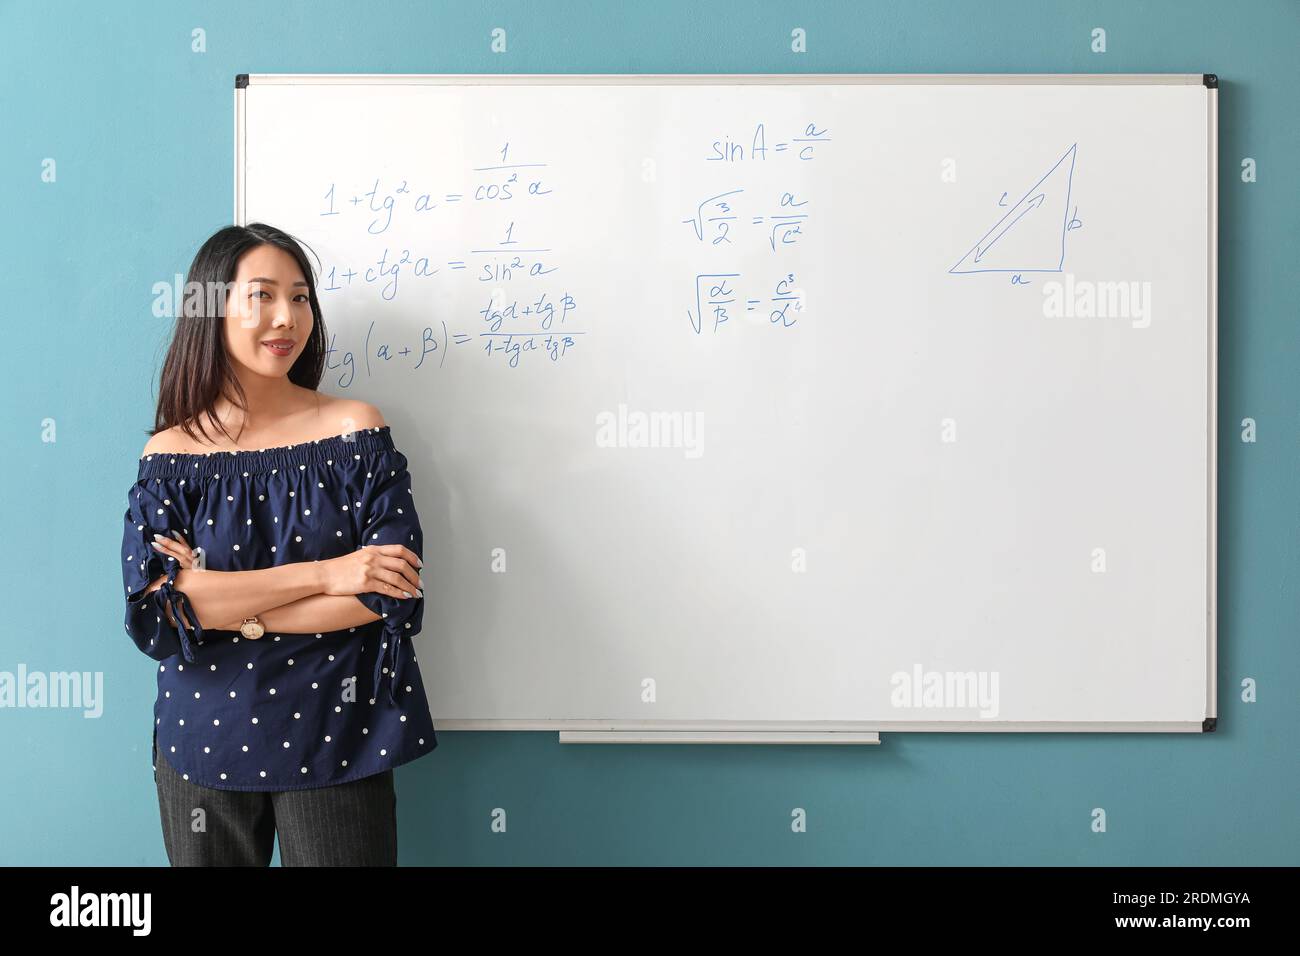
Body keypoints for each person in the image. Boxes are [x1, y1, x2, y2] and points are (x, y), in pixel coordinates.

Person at [120, 222, 437, 865]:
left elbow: (388, 593)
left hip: (341, 728)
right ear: (212, 307)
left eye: (300, 297)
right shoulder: (170, 456)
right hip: (203, 736)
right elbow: (161, 609)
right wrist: (330, 574)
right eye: (261, 295)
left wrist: (224, 604)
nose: (286, 317)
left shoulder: (355, 431)